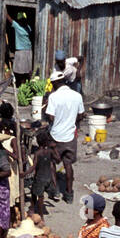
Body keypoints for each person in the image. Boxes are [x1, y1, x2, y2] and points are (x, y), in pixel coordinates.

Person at [44, 70, 85, 204]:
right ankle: (69, 194)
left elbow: (50, 117)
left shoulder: (53, 97)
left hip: (56, 136)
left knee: (51, 162)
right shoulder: (77, 95)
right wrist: (72, 122)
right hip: (70, 137)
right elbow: (81, 115)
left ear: (55, 83)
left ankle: (55, 190)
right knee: (68, 165)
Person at [28, 129, 57, 218]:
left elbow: (34, 166)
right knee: (34, 191)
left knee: (40, 197)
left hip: (39, 178)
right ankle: (32, 208)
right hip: (48, 177)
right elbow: (53, 164)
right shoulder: (50, 152)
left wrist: (25, 173)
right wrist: (54, 180)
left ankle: (41, 215)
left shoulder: (37, 153)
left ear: (37, 142)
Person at [7, 10, 32, 85]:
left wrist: (4, 8)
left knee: (23, 71)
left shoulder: (20, 26)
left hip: (23, 52)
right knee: (23, 71)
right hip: (26, 51)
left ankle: (22, 85)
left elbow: (9, 19)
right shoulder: (26, 27)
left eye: (24, 20)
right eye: (22, 20)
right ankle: (22, 84)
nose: (23, 21)